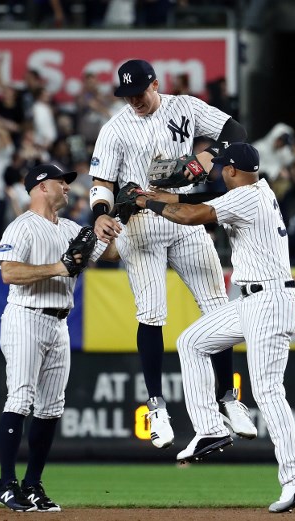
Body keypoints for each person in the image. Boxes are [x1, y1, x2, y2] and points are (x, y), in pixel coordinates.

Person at [127, 143, 295, 513]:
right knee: (193, 341)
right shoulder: (259, 190)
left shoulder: (246, 196)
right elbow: (201, 202)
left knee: (267, 391)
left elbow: (189, 215)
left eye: (220, 169)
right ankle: (211, 427)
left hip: (270, 301)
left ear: (231, 171)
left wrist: (143, 202)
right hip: (253, 301)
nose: (218, 174)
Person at [88, 59, 255, 449]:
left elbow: (236, 131)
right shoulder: (115, 129)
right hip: (140, 221)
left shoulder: (185, 107)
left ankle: (228, 398)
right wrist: (99, 215)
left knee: (217, 307)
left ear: (155, 84)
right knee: (151, 312)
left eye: (139, 93)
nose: (134, 101)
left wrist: (208, 158)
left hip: (182, 214)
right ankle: (156, 405)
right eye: (127, 95)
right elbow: (102, 182)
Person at [0, 163, 118, 512]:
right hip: (25, 317)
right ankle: (5, 485)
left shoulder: (72, 229)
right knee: (20, 399)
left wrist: (117, 224)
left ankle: (32, 485)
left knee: (51, 408)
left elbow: (110, 254)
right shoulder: (22, 227)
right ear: (42, 186)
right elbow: (9, 272)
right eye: (62, 182)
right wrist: (60, 267)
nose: (67, 187)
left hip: (59, 321)